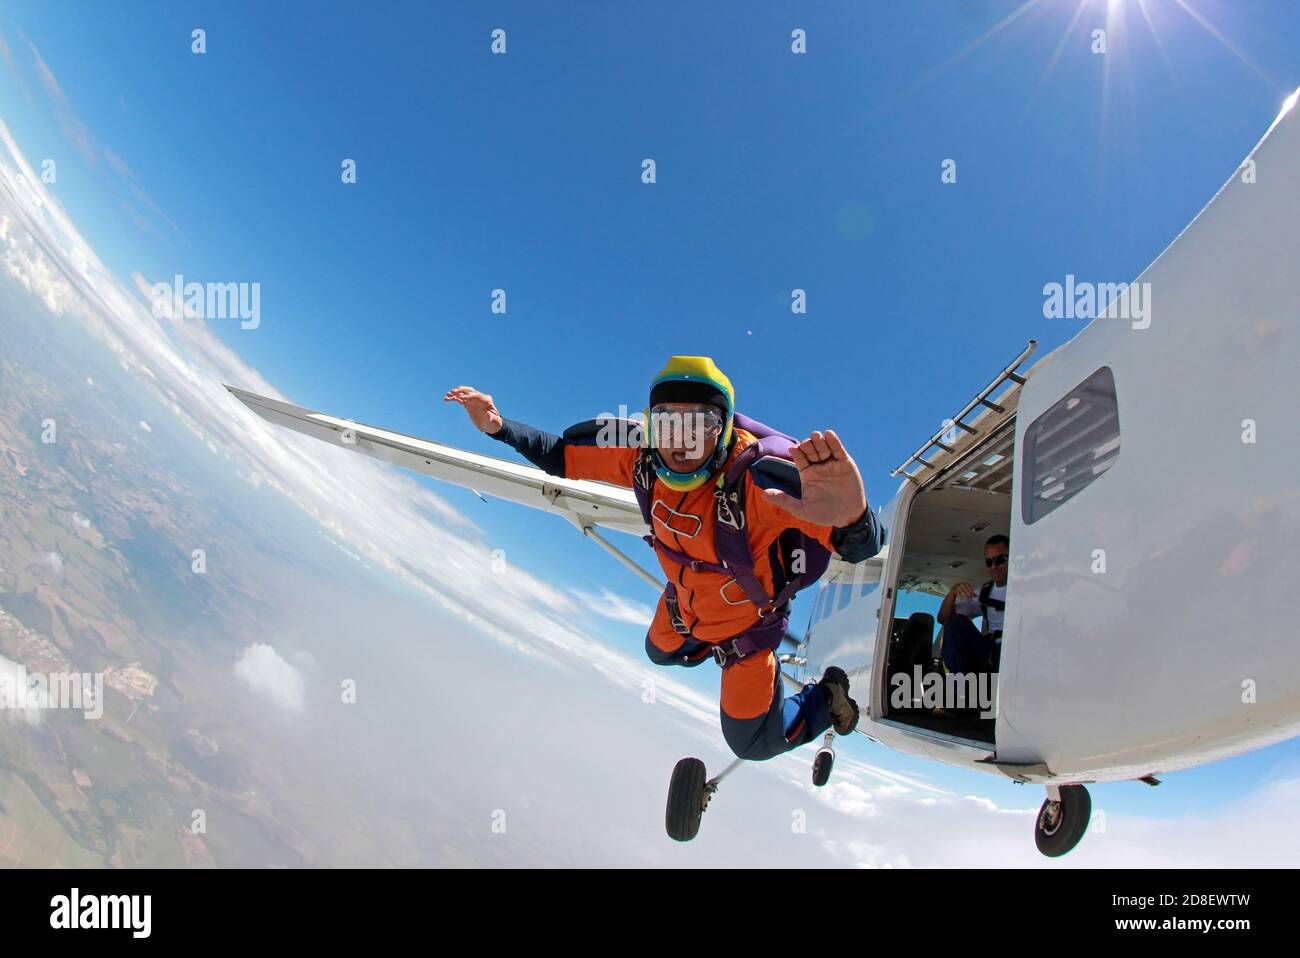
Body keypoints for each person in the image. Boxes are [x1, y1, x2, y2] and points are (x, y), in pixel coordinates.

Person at [444, 356, 882, 761]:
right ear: (650, 428)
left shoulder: (760, 482)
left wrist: (853, 518)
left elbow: (857, 544)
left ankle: (827, 698)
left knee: (753, 743)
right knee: (658, 652)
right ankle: (700, 637)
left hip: (744, 632)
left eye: (701, 426)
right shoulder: (642, 462)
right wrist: (498, 427)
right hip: (683, 609)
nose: (681, 443)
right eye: (668, 425)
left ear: (725, 427)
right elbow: (562, 456)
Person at [937, 534, 1009, 674]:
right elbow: (943, 619)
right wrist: (953, 593)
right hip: (992, 653)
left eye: (999, 560)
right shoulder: (983, 593)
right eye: (989, 562)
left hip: (1019, 648)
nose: (994, 567)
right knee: (955, 622)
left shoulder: (1029, 586)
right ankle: (961, 688)